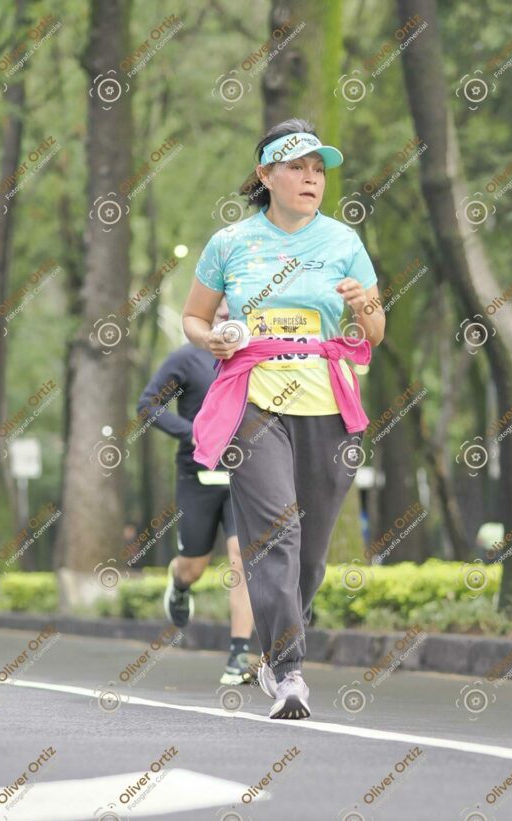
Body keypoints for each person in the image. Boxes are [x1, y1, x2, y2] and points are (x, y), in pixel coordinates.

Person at [182, 118, 385, 719]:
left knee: (312, 552)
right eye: (297, 167)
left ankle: (275, 652)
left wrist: (364, 306)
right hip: (253, 399)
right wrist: (212, 338)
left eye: (318, 170)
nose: (311, 178)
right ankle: (290, 671)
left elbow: (375, 331)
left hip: (326, 403)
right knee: (277, 533)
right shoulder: (230, 243)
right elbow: (194, 317)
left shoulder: (344, 242)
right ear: (266, 175)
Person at [136, 297, 256, 685]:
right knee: (195, 565)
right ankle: (179, 582)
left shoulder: (256, 356)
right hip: (198, 476)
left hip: (243, 476)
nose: (226, 313)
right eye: (219, 307)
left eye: (234, 307)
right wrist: (193, 433)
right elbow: (147, 405)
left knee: (242, 557)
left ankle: (238, 655)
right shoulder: (187, 359)